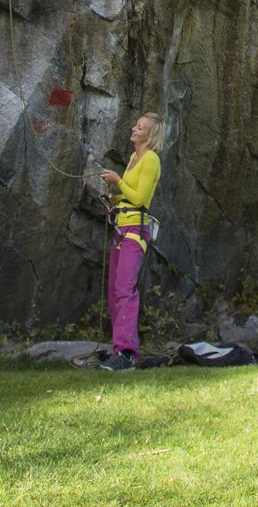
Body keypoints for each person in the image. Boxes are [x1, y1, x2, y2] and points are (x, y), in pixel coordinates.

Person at [97, 112, 164, 370]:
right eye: (136, 124)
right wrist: (113, 199)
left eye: (141, 127)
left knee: (125, 289)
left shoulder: (150, 159)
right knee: (115, 290)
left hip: (135, 232)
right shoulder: (134, 159)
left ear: (150, 135)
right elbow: (128, 196)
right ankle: (120, 349)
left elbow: (139, 198)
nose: (134, 128)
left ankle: (126, 352)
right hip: (121, 229)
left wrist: (118, 181)